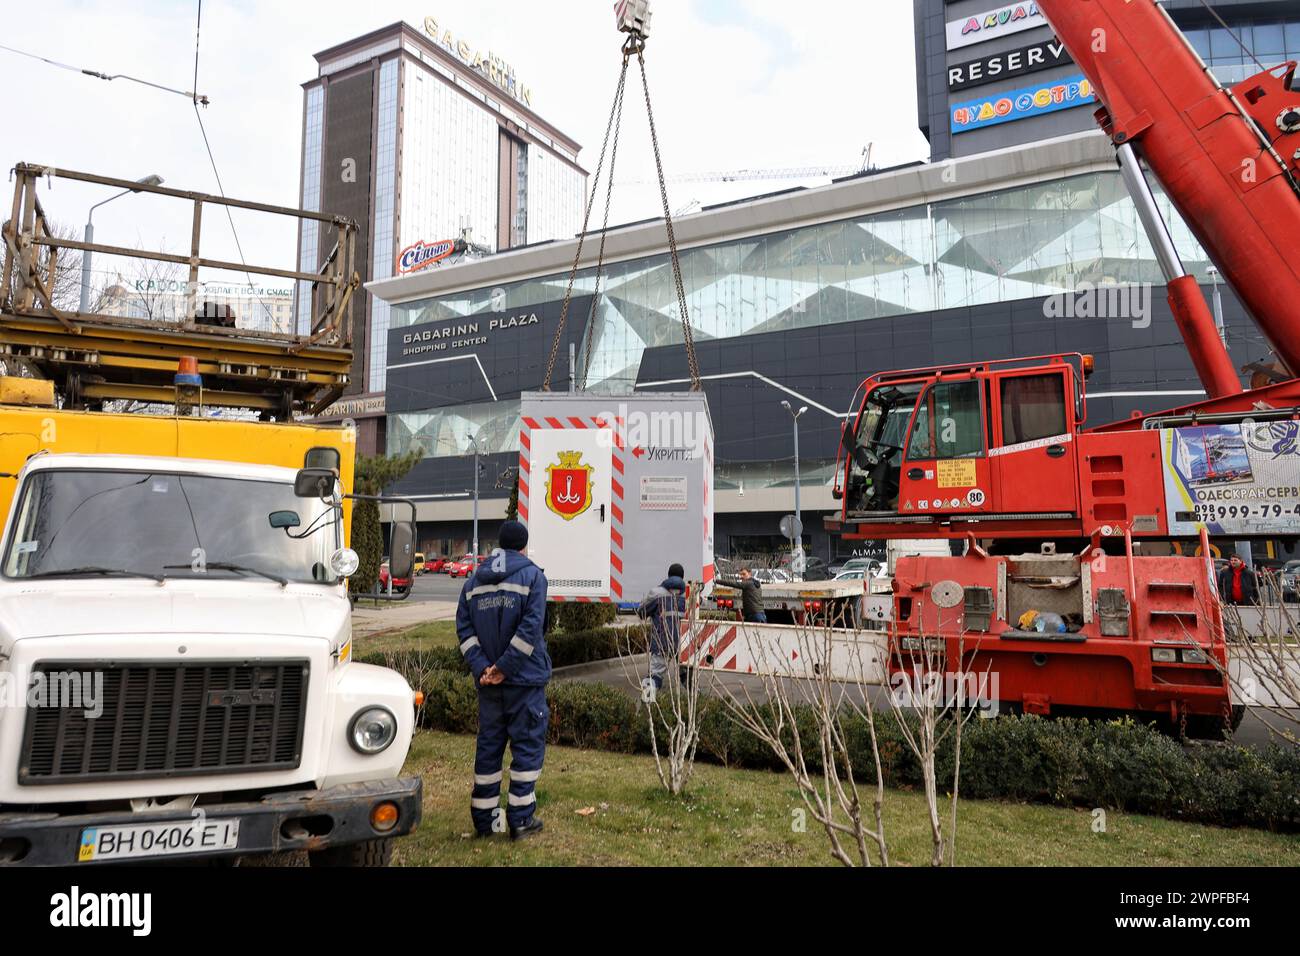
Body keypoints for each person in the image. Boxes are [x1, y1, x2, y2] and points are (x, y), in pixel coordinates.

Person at [455, 520, 550, 840]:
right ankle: (521, 821)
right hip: (523, 681)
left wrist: (484, 668)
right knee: (526, 748)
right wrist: (505, 667)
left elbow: (465, 632)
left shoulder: (472, 584)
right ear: (523, 546)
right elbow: (531, 628)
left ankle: (486, 821)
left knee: (489, 749)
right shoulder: (533, 576)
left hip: (488, 685)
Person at [638, 563, 687, 694]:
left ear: (669, 576)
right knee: (688, 675)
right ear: (682, 577)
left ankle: (647, 704)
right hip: (685, 643)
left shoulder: (656, 593)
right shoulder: (690, 594)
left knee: (655, 676)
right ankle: (697, 702)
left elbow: (641, 612)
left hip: (662, 642)